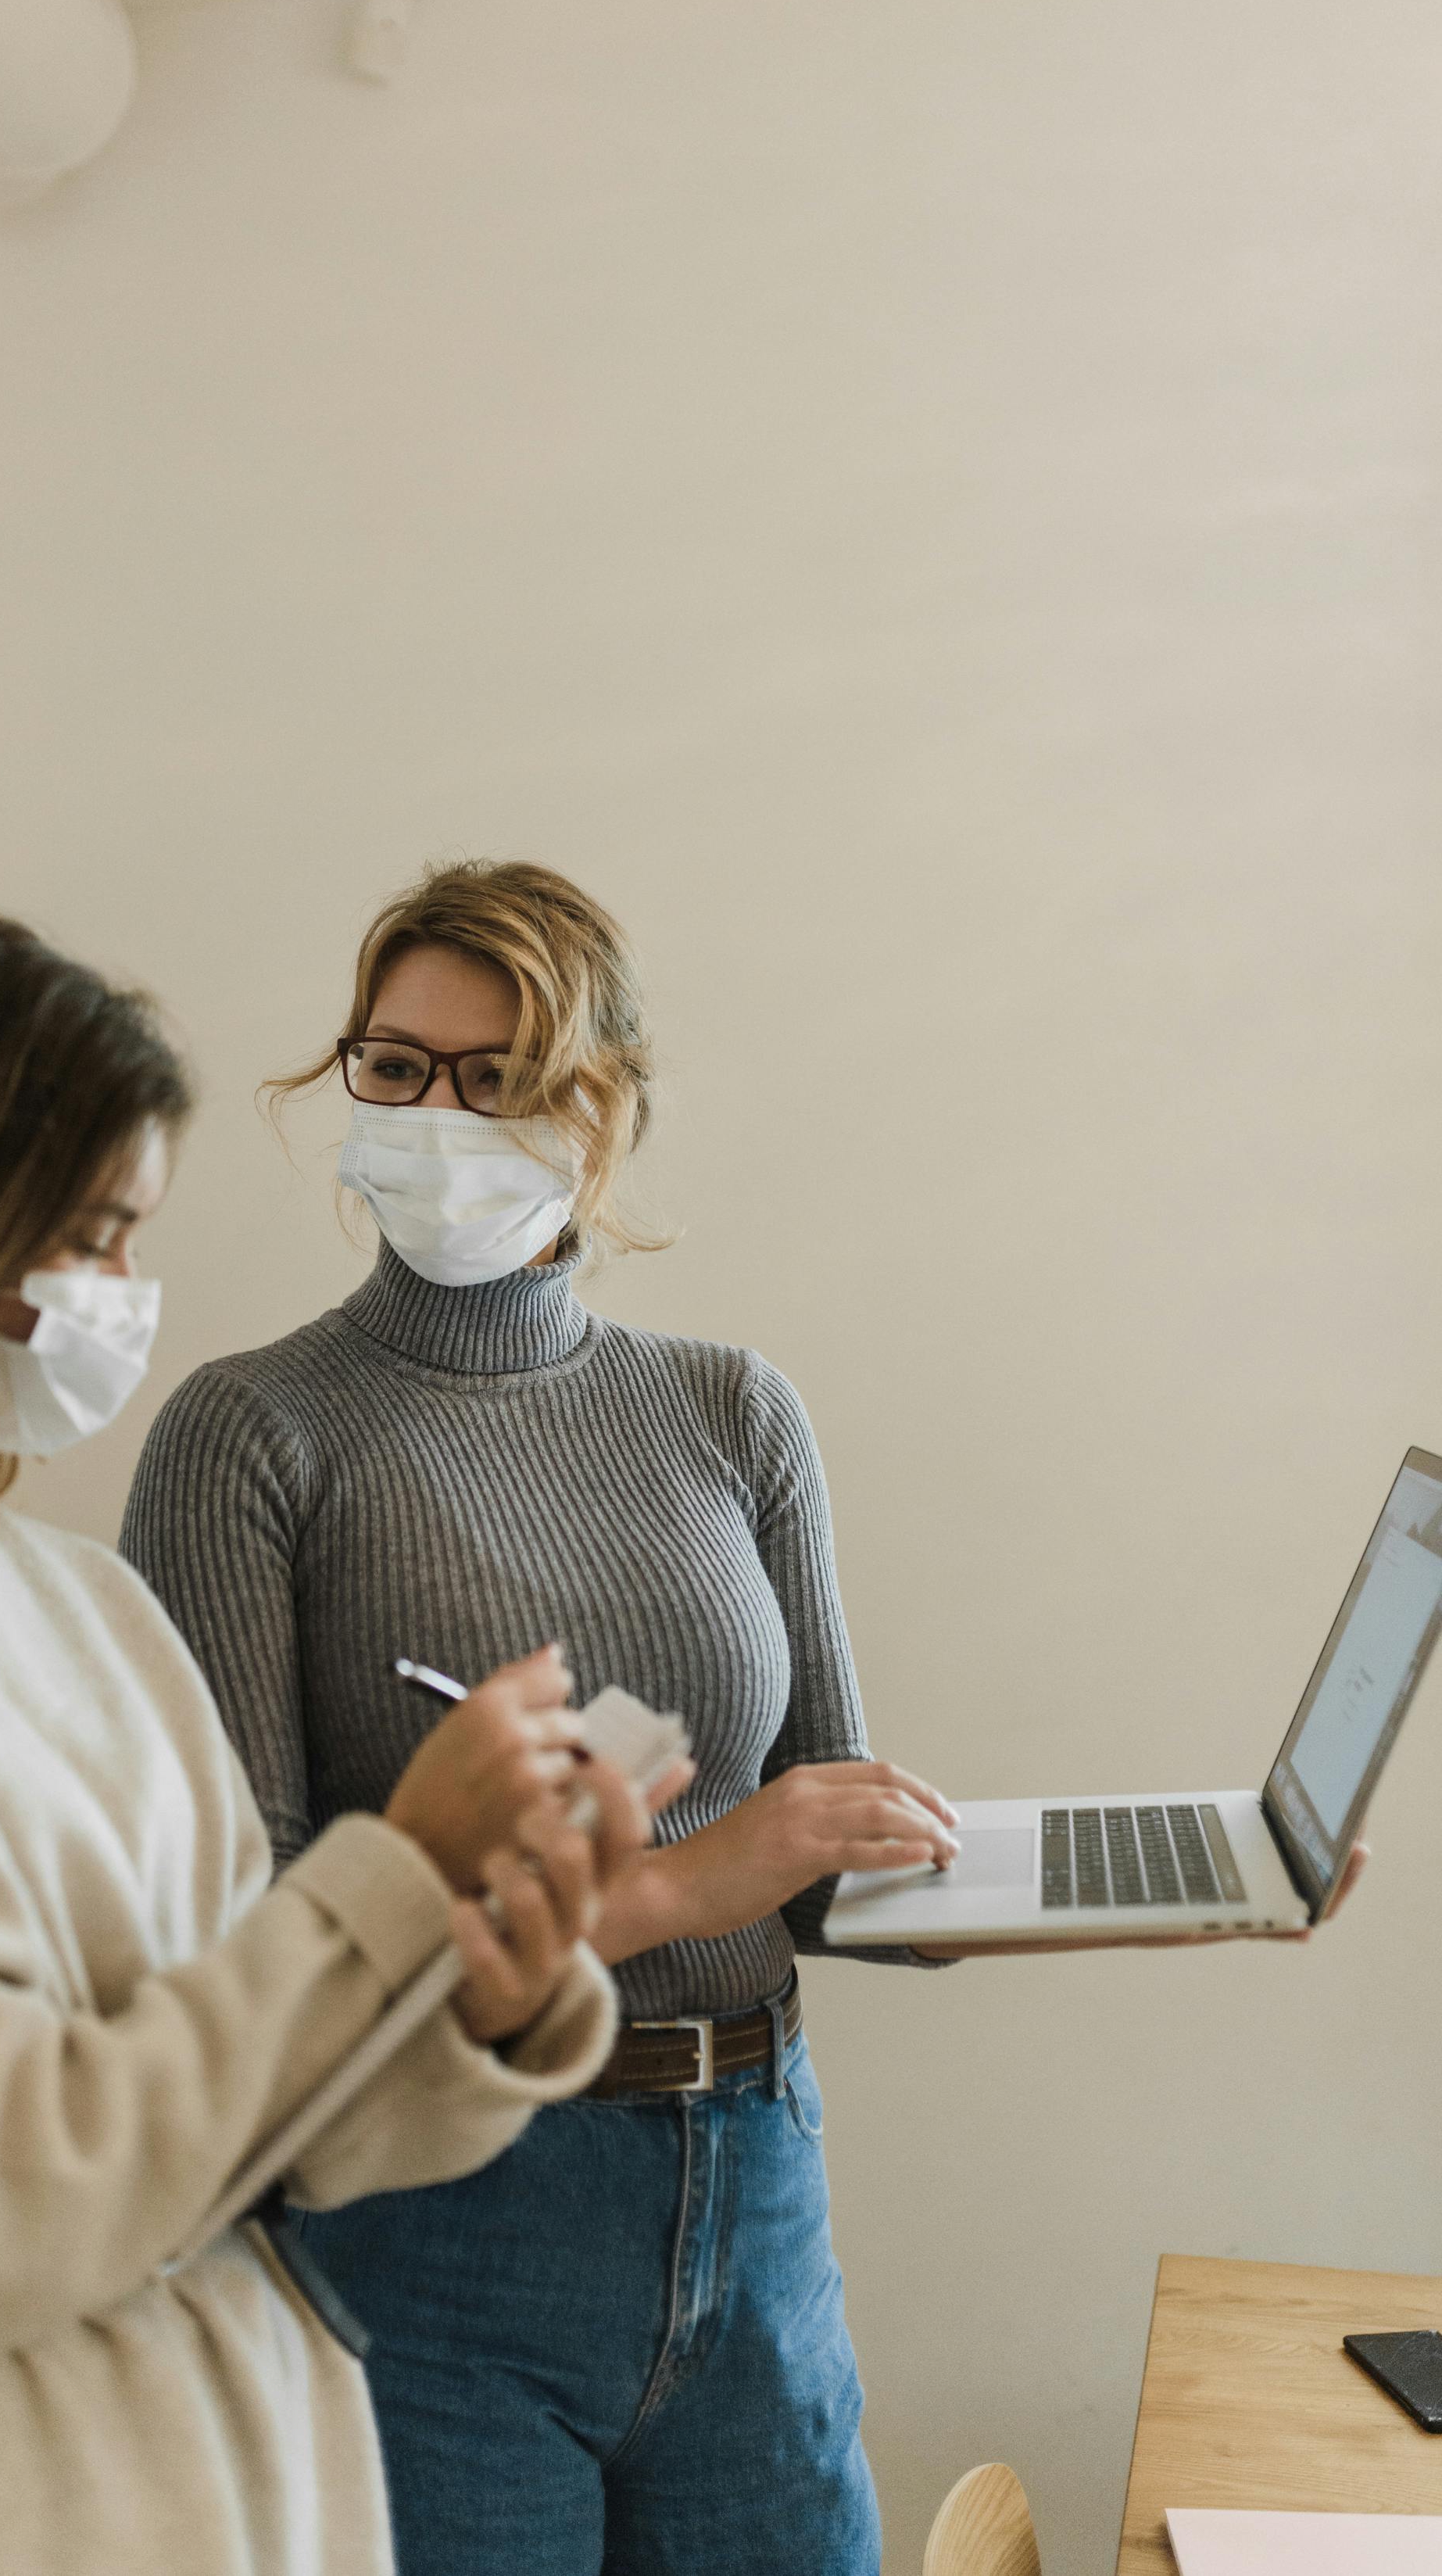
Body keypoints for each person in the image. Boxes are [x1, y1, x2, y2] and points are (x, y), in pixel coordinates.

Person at [0, 910, 670, 2576]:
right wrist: (389, 1871)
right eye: (90, 1237)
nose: (120, 1297)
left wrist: (479, 1980)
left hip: (241, 2453)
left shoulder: (82, 1602)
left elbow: (249, 2118)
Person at [120, 859, 961, 2576]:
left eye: (495, 1075)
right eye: (397, 1064)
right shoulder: (250, 1435)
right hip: (437, 2215)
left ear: (604, 1109)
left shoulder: (733, 1409)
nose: (438, 1113)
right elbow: (243, 1950)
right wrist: (669, 1886)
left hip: (755, 2179)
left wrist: (1120, 1889)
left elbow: (822, 1853)